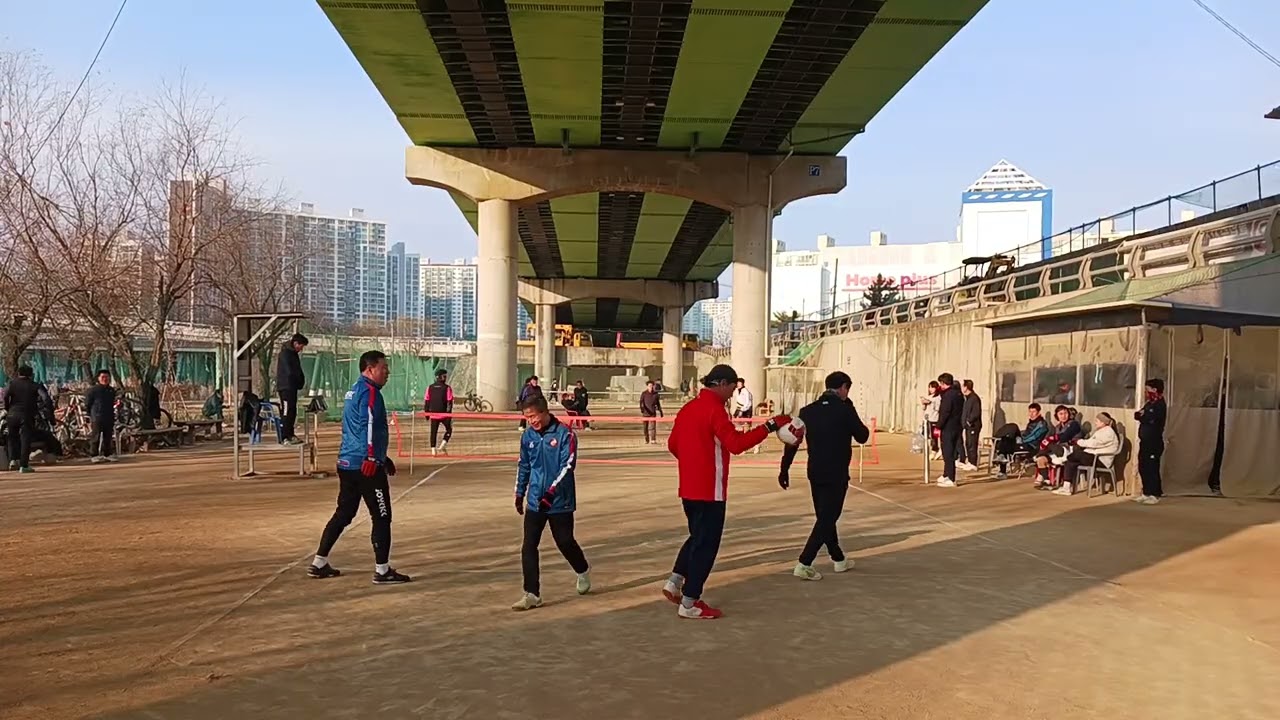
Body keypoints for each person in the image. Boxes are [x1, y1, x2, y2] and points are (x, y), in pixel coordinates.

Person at [662, 364, 789, 619]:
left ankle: (675, 581)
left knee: (696, 536)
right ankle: (690, 602)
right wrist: (769, 427)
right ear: (721, 383)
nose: (732, 393)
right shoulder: (715, 411)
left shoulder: (688, 408)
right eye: (731, 388)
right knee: (706, 545)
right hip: (710, 490)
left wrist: (693, 462)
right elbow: (737, 445)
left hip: (688, 487)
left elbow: (673, 444)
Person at [307, 350, 410, 585]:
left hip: (348, 462)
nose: (387, 372)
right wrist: (374, 458)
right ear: (370, 369)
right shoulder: (371, 392)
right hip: (365, 466)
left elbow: (356, 429)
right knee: (381, 516)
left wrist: (383, 457)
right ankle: (382, 571)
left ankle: (319, 562)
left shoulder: (353, 391)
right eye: (384, 367)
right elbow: (370, 424)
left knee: (343, 513)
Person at [778, 371, 871, 580]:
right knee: (828, 518)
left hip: (815, 470)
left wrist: (784, 469)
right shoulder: (845, 410)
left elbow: (793, 441)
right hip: (837, 472)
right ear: (844, 387)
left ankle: (838, 558)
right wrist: (851, 409)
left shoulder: (807, 411)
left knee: (825, 517)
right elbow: (863, 436)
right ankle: (804, 562)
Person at [510, 394, 591, 611]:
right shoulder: (528, 436)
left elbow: (568, 466)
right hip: (536, 501)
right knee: (528, 546)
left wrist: (552, 492)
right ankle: (532, 593)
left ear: (544, 412)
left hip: (559, 502)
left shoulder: (566, 434)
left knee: (564, 542)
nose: (531, 421)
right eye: (527, 417)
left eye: (534, 416)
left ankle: (582, 570)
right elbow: (524, 464)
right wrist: (520, 492)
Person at [1056, 412, 1121, 496]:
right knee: (1071, 461)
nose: (1095, 422)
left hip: (1101, 460)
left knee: (1077, 454)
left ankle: (1064, 458)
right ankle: (1066, 487)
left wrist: (1079, 442)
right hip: (1094, 456)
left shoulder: (1108, 432)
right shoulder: (1101, 431)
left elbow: (1093, 443)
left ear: (1103, 422)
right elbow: (1091, 443)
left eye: (1097, 421)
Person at [993, 403, 1051, 479]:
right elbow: (1026, 433)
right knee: (1006, 439)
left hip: (1031, 446)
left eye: (1033, 412)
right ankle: (1001, 459)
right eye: (1030, 412)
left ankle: (1001, 463)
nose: (1031, 414)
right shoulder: (1031, 423)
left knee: (1013, 427)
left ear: (1039, 413)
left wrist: (1021, 439)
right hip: (1024, 443)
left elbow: (1034, 437)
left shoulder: (1042, 424)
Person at [1133, 378, 1167, 505]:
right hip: (1145, 441)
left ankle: (1155, 494)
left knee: (1152, 467)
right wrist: (1142, 416)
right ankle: (1146, 492)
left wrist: (1143, 416)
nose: (1146, 392)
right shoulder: (1149, 403)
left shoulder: (1160, 404)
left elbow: (1149, 418)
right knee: (1143, 466)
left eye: (1148, 389)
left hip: (1154, 442)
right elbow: (1138, 415)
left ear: (1155, 389)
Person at [4, 365, 41, 473]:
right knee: (25, 439)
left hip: (12, 414)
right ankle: (24, 465)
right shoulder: (34, 385)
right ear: (31, 374)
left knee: (11, 437)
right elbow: (45, 397)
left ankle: (12, 460)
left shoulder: (12, 383)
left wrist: (8, 408)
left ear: (19, 373)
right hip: (26, 415)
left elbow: (6, 396)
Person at [1032, 405, 1081, 487]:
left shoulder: (1074, 424)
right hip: (1056, 451)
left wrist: (1051, 439)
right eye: (1061, 414)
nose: (1064, 416)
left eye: (1065, 413)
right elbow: (1046, 439)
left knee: (1049, 445)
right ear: (1057, 416)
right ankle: (1047, 481)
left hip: (1069, 451)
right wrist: (1047, 441)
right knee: (1041, 459)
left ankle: (1035, 456)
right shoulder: (1057, 427)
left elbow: (1065, 437)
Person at [275, 333, 308, 446]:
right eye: (301, 346)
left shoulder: (294, 354)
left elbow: (297, 370)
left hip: (292, 387)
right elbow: (290, 371)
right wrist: (296, 380)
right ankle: (284, 436)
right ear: (295, 343)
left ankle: (290, 434)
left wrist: (300, 382)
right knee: (286, 411)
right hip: (285, 387)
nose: (301, 348)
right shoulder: (285, 354)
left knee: (292, 411)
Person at [933, 373, 964, 487]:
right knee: (950, 451)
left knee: (948, 452)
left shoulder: (948, 396)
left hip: (948, 427)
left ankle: (951, 478)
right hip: (957, 426)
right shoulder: (959, 394)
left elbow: (945, 412)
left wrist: (938, 426)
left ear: (943, 383)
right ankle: (946, 474)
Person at [84, 369, 119, 463]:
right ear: (98, 378)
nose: (105, 379)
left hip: (109, 415)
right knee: (96, 436)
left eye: (107, 377)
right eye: (103, 377)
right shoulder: (93, 390)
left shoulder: (111, 390)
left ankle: (108, 453)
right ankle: (94, 455)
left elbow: (113, 402)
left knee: (108, 436)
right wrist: (89, 414)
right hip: (97, 416)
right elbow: (87, 403)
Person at [424, 368, 454, 455]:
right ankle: (442, 445)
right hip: (443, 414)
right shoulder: (447, 388)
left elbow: (426, 401)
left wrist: (426, 413)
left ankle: (435, 449)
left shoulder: (430, 387)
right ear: (440, 377)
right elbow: (450, 402)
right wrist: (449, 414)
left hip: (434, 414)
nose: (446, 378)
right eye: (444, 376)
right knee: (449, 430)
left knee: (433, 432)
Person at [957, 380, 983, 471]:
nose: (961, 388)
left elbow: (976, 412)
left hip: (973, 426)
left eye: (963, 386)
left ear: (966, 387)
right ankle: (970, 461)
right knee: (968, 443)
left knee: (972, 444)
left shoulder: (974, 398)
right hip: (968, 426)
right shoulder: (967, 398)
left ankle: (973, 463)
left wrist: (969, 421)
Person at [921, 381, 941, 459]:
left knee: (935, 436)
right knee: (927, 435)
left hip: (935, 420)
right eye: (929, 387)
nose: (931, 389)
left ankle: (935, 450)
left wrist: (930, 403)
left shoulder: (938, 397)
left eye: (932, 387)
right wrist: (924, 403)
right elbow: (924, 408)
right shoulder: (929, 397)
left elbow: (938, 408)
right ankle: (934, 449)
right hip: (927, 419)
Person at [639, 379, 663, 444]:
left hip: (652, 413)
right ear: (647, 386)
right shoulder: (644, 394)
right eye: (649, 386)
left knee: (653, 427)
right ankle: (647, 440)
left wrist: (661, 411)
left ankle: (653, 439)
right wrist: (642, 409)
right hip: (645, 413)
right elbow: (641, 402)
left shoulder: (655, 394)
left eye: (652, 386)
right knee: (645, 427)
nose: (651, 387)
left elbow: (658, 404)